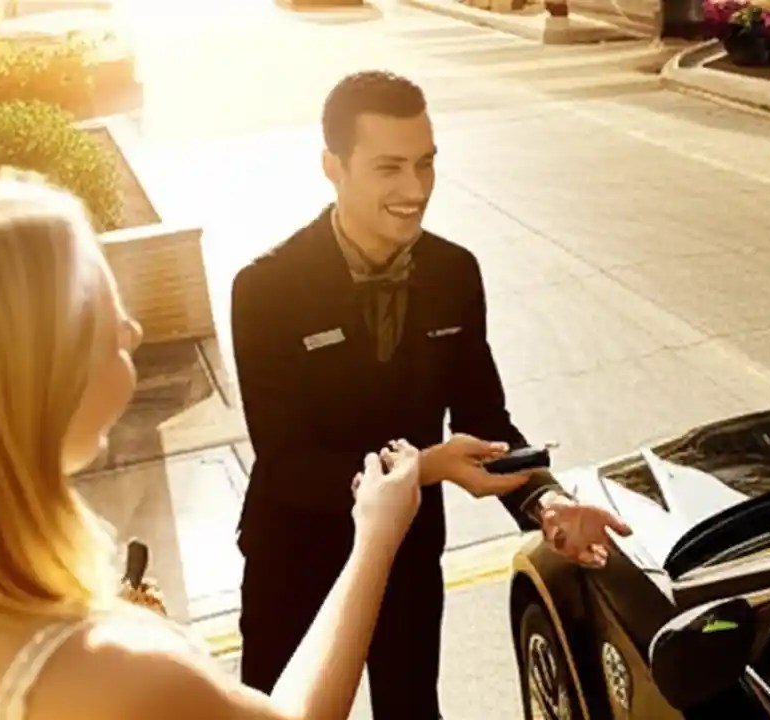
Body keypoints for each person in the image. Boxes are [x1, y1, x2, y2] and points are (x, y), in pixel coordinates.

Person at [0, 173, 430, 720]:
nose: (132, 328)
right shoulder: (119, 680)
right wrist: (375, 533)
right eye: (91, 297)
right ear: (14, 379)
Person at [230, 70, 631, 719]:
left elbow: (485, 416)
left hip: (409, 558)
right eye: (388, 168)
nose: (414, 190)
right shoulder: (266, 289)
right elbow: (287, 463)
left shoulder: (453, 272)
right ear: (333, 166)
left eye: (425, 164)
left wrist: (546, 500)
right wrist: (427, 466)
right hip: (293, 559)